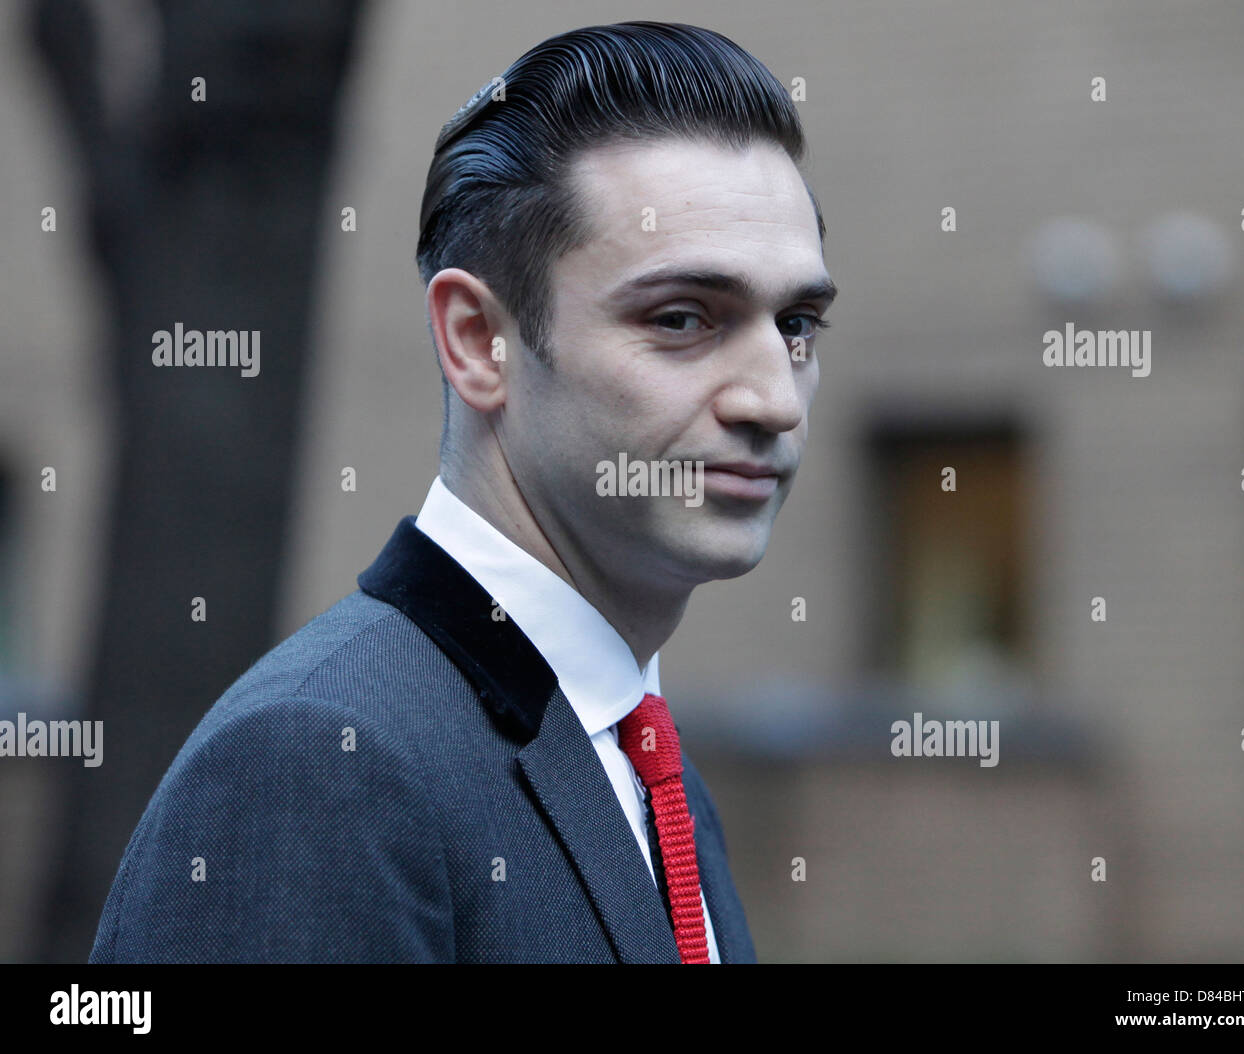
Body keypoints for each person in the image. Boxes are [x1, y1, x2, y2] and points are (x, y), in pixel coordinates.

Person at [89, 20, 835, 964]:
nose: (773, 398)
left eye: (798, 324)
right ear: (480, 341)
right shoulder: (317, 765)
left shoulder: (656, 780)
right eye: (682, 318)